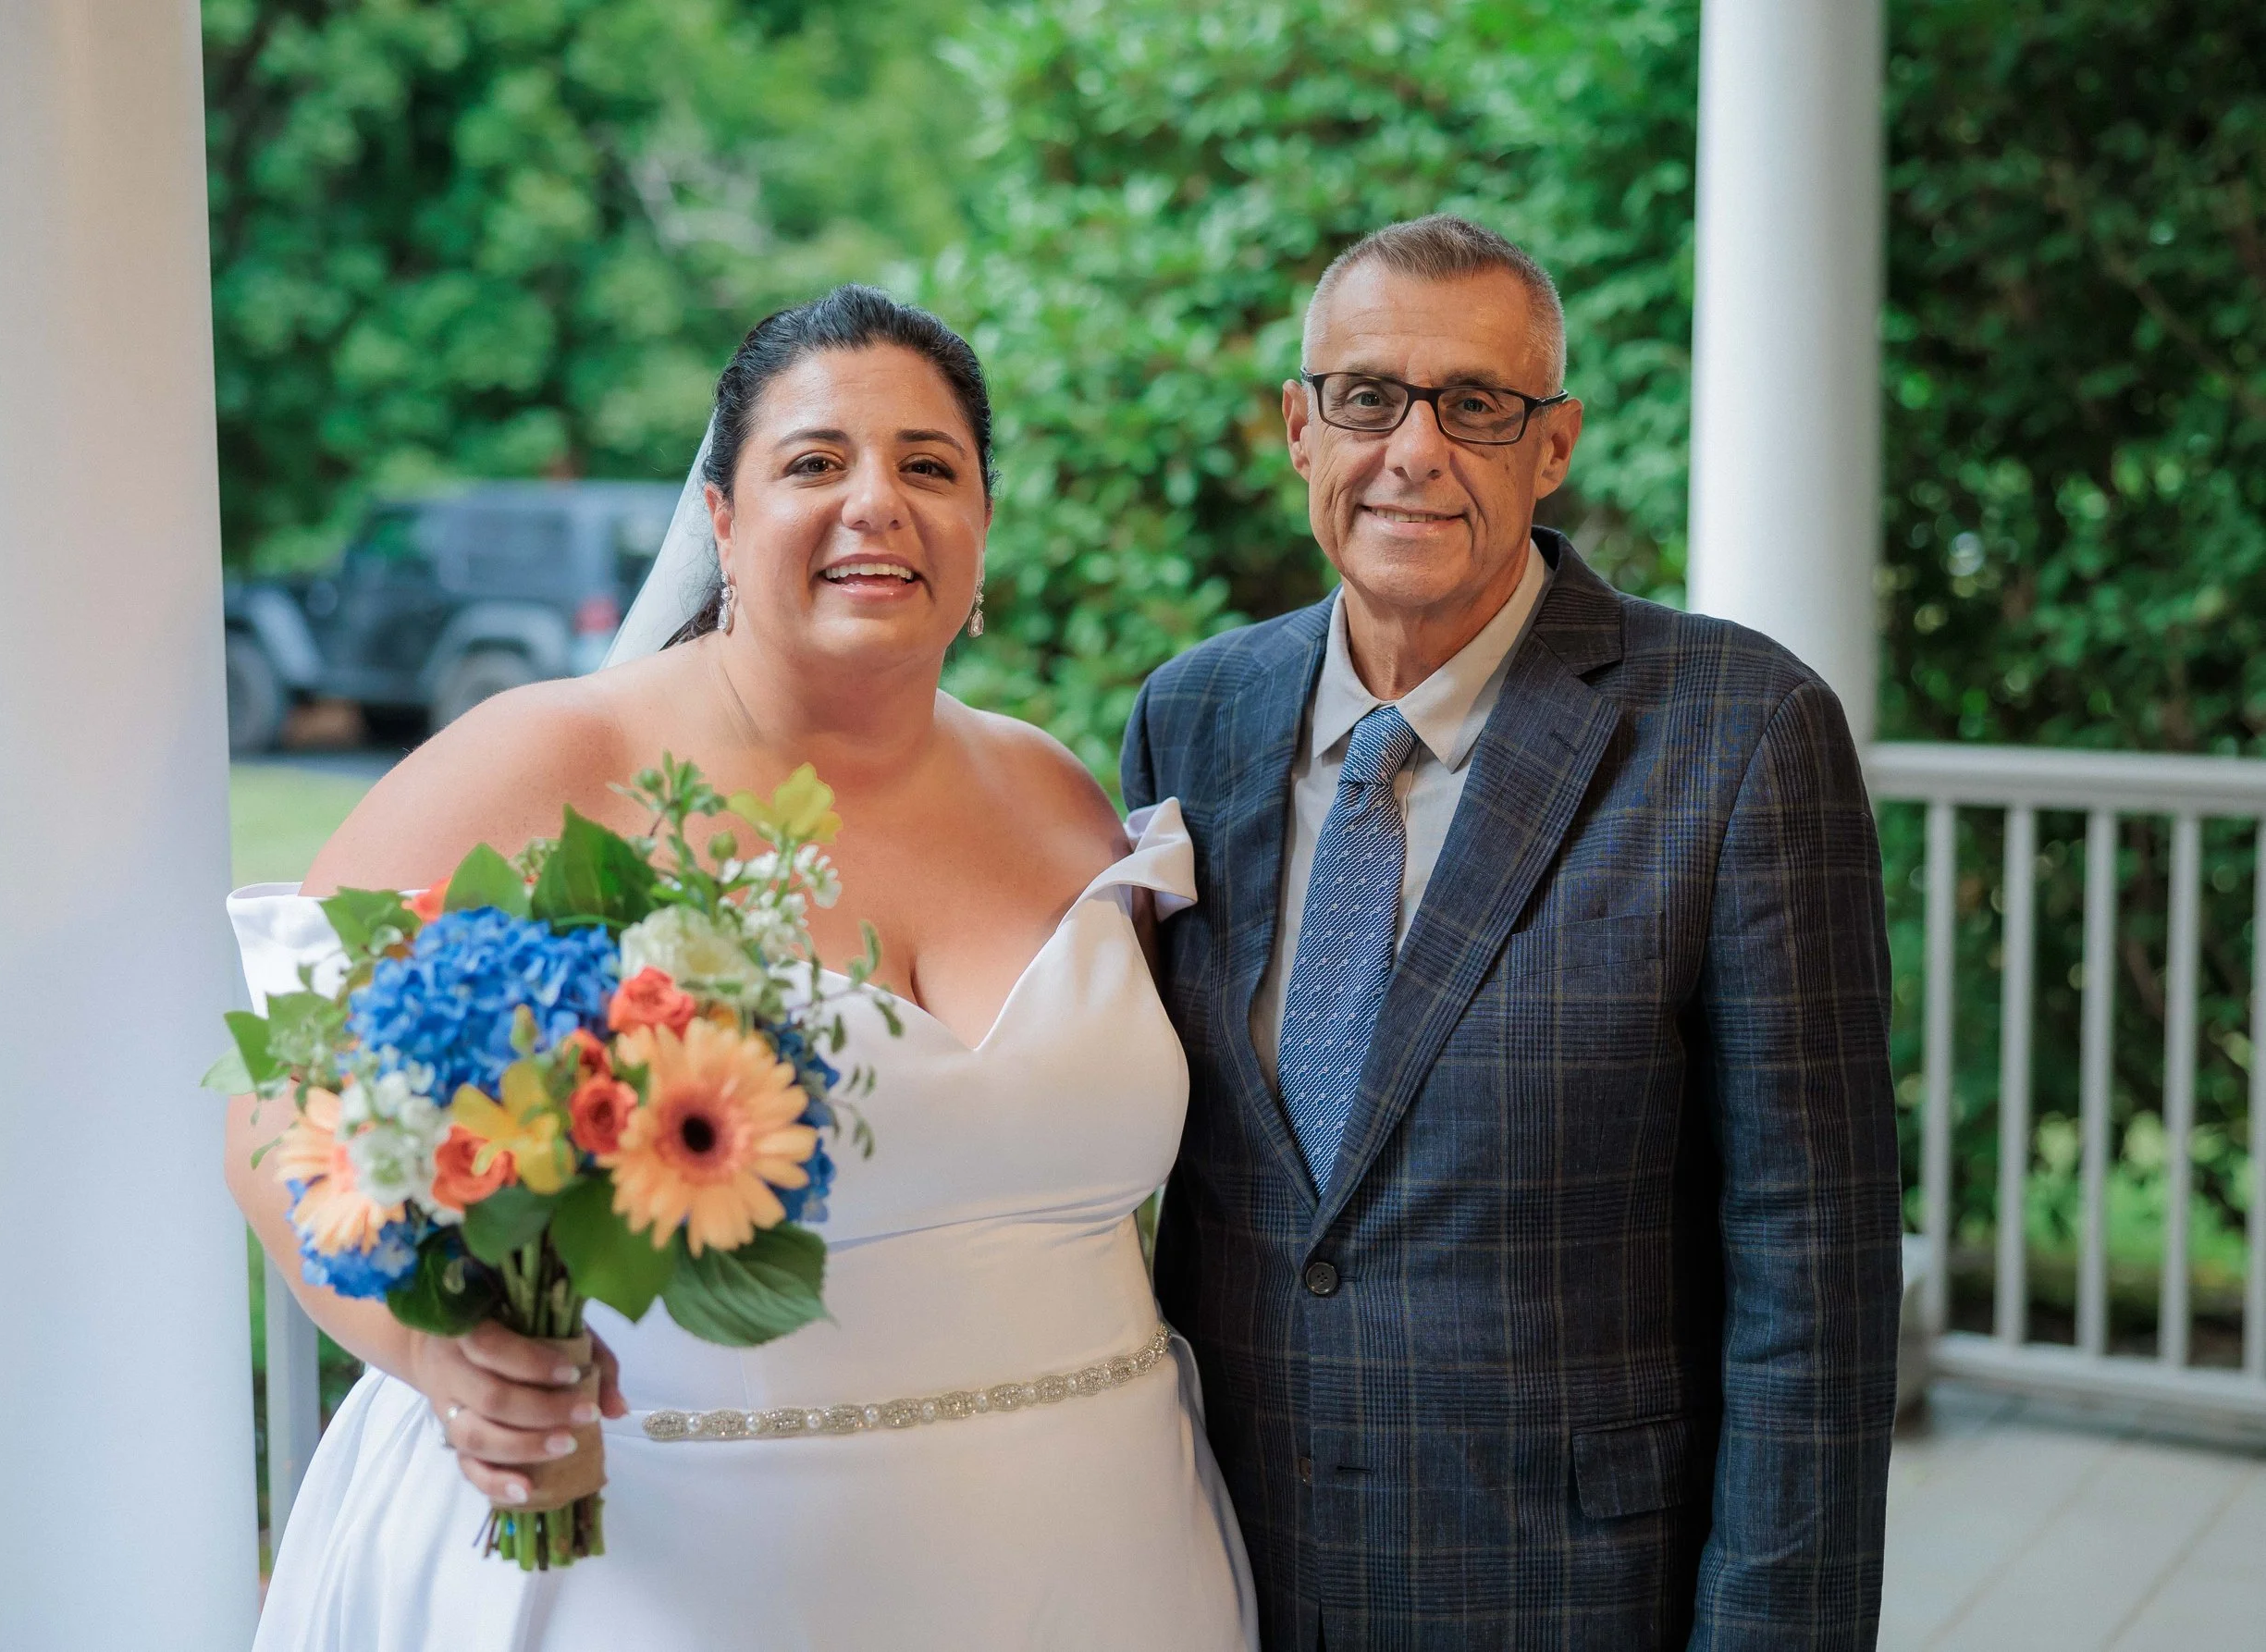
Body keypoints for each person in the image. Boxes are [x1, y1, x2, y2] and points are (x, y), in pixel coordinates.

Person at [227, 286, 1255, 1650]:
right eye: (815, 462)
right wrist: (438, 1353)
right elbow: (279, 1114)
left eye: (929, 466)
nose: (876, 501)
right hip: (665, 1584)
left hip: (1105, 1567)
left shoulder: (1056, 790)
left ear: (983, 526)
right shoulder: (552, 761)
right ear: (719, 516)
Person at [1122, 216, 1900, 1650]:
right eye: (1367, 397)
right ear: (1300, 430)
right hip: (1219, 1566)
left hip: (1570, 1590)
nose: (1413, 449)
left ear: (1554, 447)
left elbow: (1814, 1274)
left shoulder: (1741, 732)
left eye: (1476, 405)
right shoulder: (1194, 716)